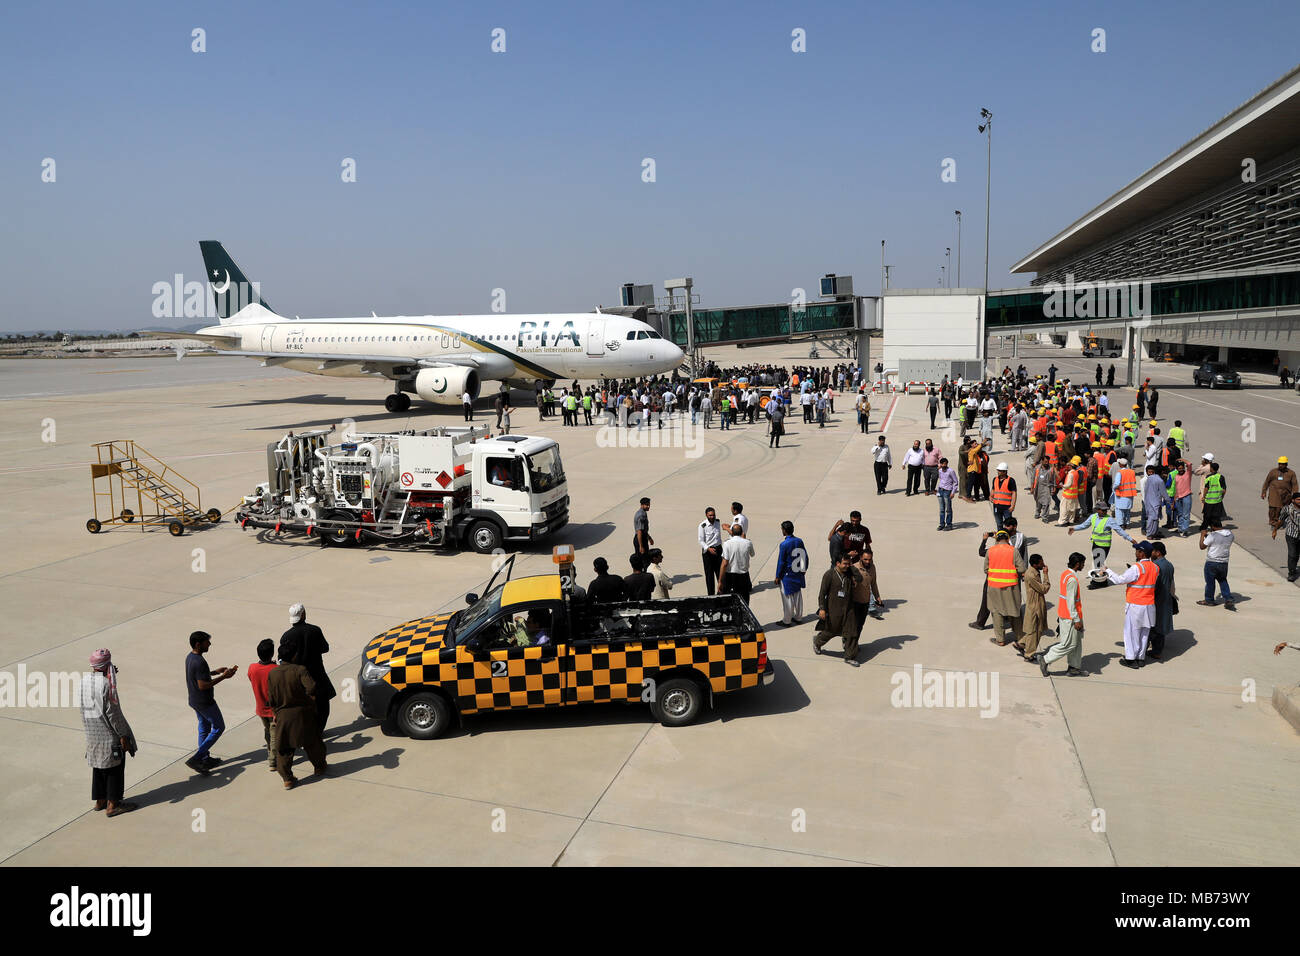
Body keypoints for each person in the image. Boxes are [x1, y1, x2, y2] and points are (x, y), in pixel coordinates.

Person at [81, 649, 138, 817]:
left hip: (92, 732)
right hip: (109, 735)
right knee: (115, 768)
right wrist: (123, 735)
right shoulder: (106, 685)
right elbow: (113, 714)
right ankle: (113, 805)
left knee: (98, 767)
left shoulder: (84, 681)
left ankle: (100, 801)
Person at [268, 634, 328, 789]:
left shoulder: (273, 673)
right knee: (313, 743)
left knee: (285, 749)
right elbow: (312, 687)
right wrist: (310, 699)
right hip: (302, 714)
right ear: (294, 655)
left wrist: (275, 712)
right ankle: (319, 767)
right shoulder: (300, 669)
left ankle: (287, 778)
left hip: (282, 716)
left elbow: (271, 698)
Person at [185, 631, 236, 775]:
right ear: (198, 644)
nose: (210, 644)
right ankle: (197, 757)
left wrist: (215, 672)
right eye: (207, 642)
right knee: (219, 727)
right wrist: (224, 677)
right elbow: (203, 685)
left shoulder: (191, 657)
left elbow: (198, 677)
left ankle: (205, 759)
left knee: (204, 727)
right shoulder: (199, 662)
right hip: (205, 702)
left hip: (194, 700)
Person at [282, 603, 337, 735]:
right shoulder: (315, 630)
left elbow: (283, 657)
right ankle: (317, 731)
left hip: (298, 679)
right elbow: (325, 648)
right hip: (317, 674)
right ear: (303, 615)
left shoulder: (286, 636)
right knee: (323, 707)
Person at [1103, 539, 1158, 667]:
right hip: (1149, 605)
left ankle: (1130, 659)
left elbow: (1120, 580)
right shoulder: (1155, 567)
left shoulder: (1137, 568)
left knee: (1131, 632)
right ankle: (1141, 658)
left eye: (1137, 551)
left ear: (1142, 553)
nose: (1135, 553)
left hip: (1136, 605)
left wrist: (1108, 571)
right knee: (1144, 633)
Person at [1040, 552, 1087, 677]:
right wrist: (1076, 619)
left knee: (1076, 643)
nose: (1084, 565)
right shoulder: (1072, 579)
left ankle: (1074, 668)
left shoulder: (1066, 574)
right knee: (1068, 644)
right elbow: (1071, 601)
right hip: (1069, 617)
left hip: (1067, 614)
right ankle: (1045, 659)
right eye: (1082, 563)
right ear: (1077, 564)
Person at [813, 553, 862, 665]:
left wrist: (852, 566)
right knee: (831, 631)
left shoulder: (850, 573)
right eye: (844, 563)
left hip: (849, 609)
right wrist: (822, 609)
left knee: (852, 632)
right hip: (833, 608)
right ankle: (817, 641)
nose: (847, 566)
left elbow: (859, 578)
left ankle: (849, 656)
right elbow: (822, 593)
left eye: (848, 563)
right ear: (837, 563)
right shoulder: (829, 575)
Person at [984, 529, 1026, 646]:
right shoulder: (1014, 551)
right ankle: (1020, 637)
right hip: (1011, 587)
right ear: (1008, 539)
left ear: (996, 540)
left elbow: (985, 569)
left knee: (996, 612)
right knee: (1014, 612)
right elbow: (1022, 569)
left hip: (994, 587)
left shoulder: (990, 551)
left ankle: (1000, 639)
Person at [248, 639, 279, 772]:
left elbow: (252, 678)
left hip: (260, 708)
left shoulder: (252, 668)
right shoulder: (275, 670)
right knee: (275, 736)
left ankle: (269, 751)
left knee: (268, 731)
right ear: (272, 653)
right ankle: (273, 761)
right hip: (274, 710)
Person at [1014, 554, 1051, 661]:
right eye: (1041, 563)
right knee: (1037, 631)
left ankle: (1021, 643)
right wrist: (1046, 575)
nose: (1043, 564)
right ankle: (1029, 654)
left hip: (1036, 604)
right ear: (1035, 564)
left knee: (1032, 629)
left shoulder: (1033, 572)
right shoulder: (1031, 575)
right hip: (1035, 606)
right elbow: (1044, 589)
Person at [775, 521, 807, 626]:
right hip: (797, 572)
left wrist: (778, 576)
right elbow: (805, 556)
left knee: (787, 597)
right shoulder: (799, 541)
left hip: (787, 575)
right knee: (797, 595)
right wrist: (803, 569)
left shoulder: (784, 544)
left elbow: (781, 562)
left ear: (784, 530)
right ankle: (798, 617)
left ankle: (787, 620)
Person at [1147, 541, 1176, 660]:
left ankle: (1155, 651)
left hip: (1157, 600)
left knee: (1153, 626)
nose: (1150, 553)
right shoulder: (1169, 565)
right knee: (1161, 626)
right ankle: (1157, 650)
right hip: (1166, 599)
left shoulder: (1155, 566)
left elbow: (1154, 584)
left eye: (1152, 551)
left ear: (1157, 553)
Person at [1197, 521, 1236, 610]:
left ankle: (1209, 600)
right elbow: (1220, 541)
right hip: (1224, 562)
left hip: (1212, 562)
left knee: (1210, 582)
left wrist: (1202, 535)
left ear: (1212, 526)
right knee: (1222, 580)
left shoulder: (1213, 535)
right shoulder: (1230, 534)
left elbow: (1202, 546)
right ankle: (1228, 598)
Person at [719, 522, 755, 604]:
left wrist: (720, 581)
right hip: (743, 576)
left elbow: (724, 563)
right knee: (744, 601)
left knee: (727, 601)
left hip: (730, 576)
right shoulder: (748, 543)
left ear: (732, 532)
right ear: (742, 532)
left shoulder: (727, 543)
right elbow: (752, 554)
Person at [1261, 456, 1298, 527]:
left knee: (1281, 509)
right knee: (1272, 508)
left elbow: (1295, 485)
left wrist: (1295, 496)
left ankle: (1279, 521)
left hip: (1285, 494)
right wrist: (1263, 492)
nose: (1280, 465)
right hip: (1274, 493)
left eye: (1282, 464)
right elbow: (1267, 482)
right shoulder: (1273, 472)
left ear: (1286, 464)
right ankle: (1272, 521)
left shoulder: (1291, 473)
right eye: (1279, 463)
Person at [1271, 491, 1300, 582]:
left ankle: (1294, 568)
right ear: (1293, 500)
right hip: (1291, 535)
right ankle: (1291, 573)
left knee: (1297, 554)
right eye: (1298, 500)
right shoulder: (1287, 509)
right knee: (1292, 554)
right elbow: (1280, 520)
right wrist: (1275, 530)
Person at [698, 507, 723, 595]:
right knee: (709, 575)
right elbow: (701, 540)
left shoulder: (717, 522)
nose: (712, 517)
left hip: (718, 550)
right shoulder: (702, 526)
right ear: (706, 515)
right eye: (710, 515)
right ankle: (711, 595)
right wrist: (708, 548)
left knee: (720, 573)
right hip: (708, 552)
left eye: (713, 515)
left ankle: (721, 593)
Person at [1200, 461, 1227, 531]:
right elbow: (1224, 490)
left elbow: (1206, 488)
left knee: (1206, 516)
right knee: (1216, 517)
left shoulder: (1209, 477)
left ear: (1211, 469)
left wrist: (1204, 496)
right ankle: (1218, 529)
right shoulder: (1221, 477)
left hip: (1209, 501)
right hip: (1218, 501)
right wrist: (1221, 497)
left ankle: (1204, 529)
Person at [989, 461, 1017, 531]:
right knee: (999, 523)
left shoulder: (1011, 480)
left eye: (1000, 471)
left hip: (1006, 507)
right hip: (996, 506)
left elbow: (1014, 493)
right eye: (998, 470)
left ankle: (1010, 537)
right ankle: (1001, 537)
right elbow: (993, 489)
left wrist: (1013, 506)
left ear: (1005, 471)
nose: (998, 472)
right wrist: (991, 496)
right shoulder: (995, 479)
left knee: (1009, 525)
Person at [936, 457, 958, 530]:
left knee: (948, 509)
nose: (944, 465)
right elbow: (939, 478)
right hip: (940, 490)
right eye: (942, 464)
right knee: (941, 509)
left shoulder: (951, 471)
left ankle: (949, 524)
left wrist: (953, 492)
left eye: (945, 464)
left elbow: (955, 482)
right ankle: (942, 524)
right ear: (940, 464)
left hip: (947, 491)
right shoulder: (939, 471)